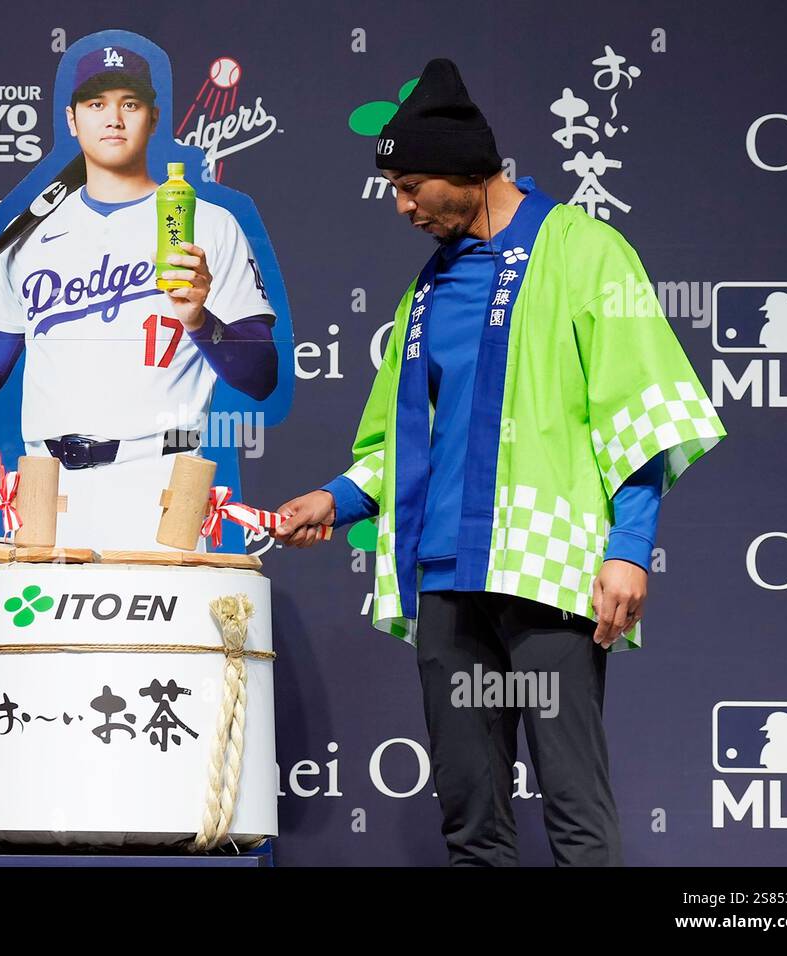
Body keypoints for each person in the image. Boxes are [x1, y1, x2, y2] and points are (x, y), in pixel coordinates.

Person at [271, 59, 726, 865]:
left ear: (469, 170)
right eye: (395, 189)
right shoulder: (429, 291)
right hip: (444, 577)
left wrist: (628, 547)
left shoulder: (586, 252)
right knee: (471, 821)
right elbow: (405, 445)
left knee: (574, 807)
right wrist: (333, 501)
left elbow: (643, 412)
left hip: (547, 572)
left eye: (412, 185)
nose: (403, 205)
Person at [0, 45, 277, 550]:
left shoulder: (211, 224)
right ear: (72, 119)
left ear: (153, 117)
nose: (112, 118)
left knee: (160, 633)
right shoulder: (26, 232)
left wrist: (201, 320)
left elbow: (261, 376)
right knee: (49, 633)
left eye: (128, 103)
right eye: (95, 104)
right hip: (47, 484)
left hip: (161, 473)